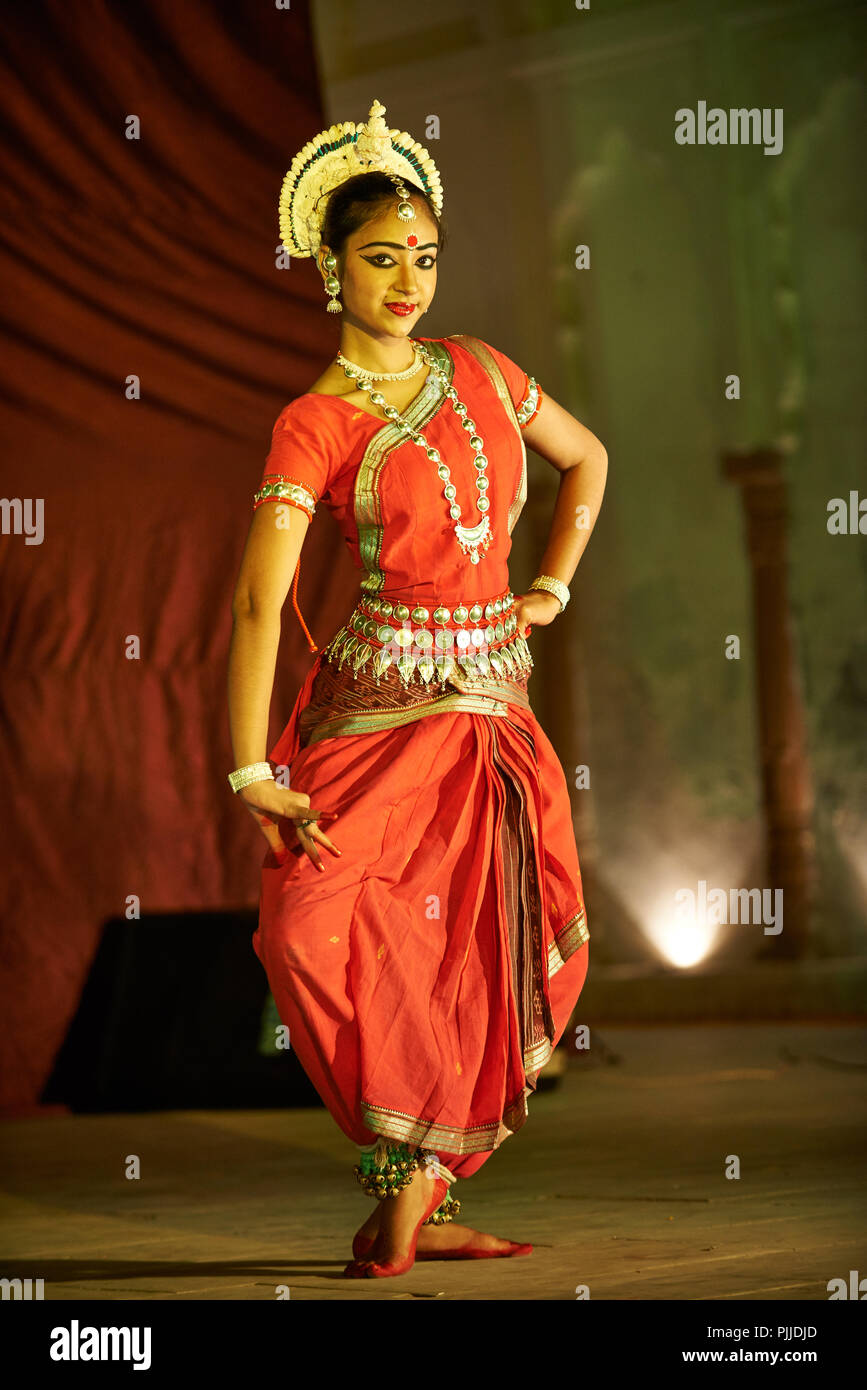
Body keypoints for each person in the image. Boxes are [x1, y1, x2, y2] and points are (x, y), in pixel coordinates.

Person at [227, 99, 608, 1279]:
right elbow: (254, 607)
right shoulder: (316, 421)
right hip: (368, 711)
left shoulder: (486, 370)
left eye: (425, 258)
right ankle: (409, 1183)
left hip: (487, 708)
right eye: (382, 258)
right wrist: (251, 768)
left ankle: (413, 1197)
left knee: (477, 952)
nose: (408, 281)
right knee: (311, 934)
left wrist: (546, 586)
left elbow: (588, 459)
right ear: (329, 267)